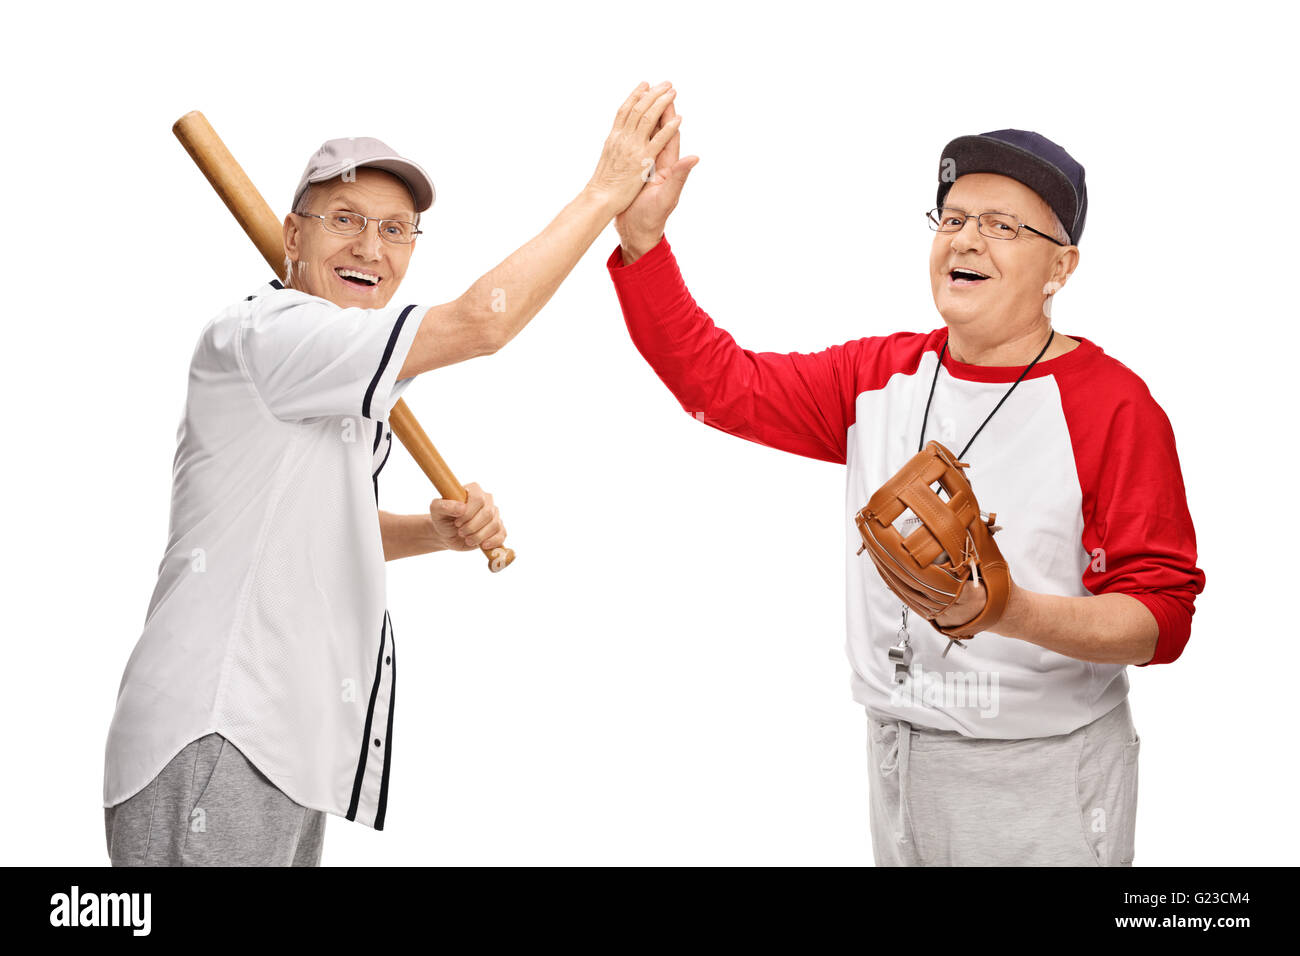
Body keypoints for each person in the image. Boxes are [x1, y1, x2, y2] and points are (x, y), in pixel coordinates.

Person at [102, 80, 683, 866]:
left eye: (396, 230)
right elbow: (485, 320)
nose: (371, 249)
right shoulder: (271, 334)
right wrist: (604, 191)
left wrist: (431, 534)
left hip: (280, 749)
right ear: (291, 239)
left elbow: (319, 532)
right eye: (344, 220)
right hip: (220, 733)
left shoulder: (333, 369)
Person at [606, 113, 1206, 866]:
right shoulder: (877, 378)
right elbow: (716, 384)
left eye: (1003, 226)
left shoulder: (1113, 406)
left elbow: (1162, 614)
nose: (965, 239)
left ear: (1062, 268)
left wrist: (1012, 611)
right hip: (895, 758)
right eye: (952, 218)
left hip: (1043, 775)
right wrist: (644, 242)